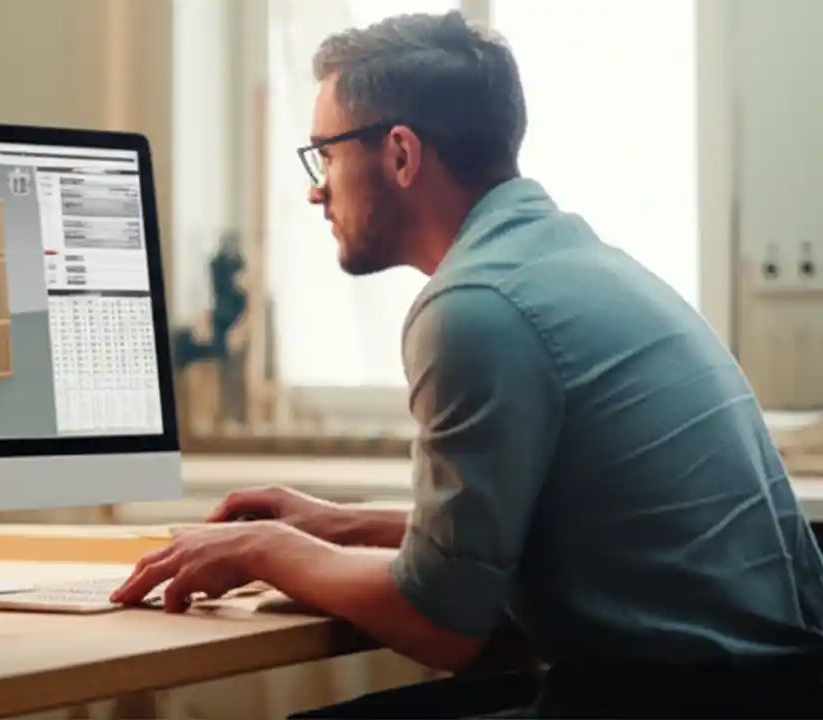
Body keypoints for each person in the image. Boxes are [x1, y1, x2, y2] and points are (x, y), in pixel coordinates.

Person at [111, 9, 823, 718]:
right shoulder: (572, 264)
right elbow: (527, 537)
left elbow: (442, 622)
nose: (314, 188)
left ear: (399, 154)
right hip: (759, 690)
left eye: (323, 153)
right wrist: (343, 526)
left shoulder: (476, 305)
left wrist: (265, 549)